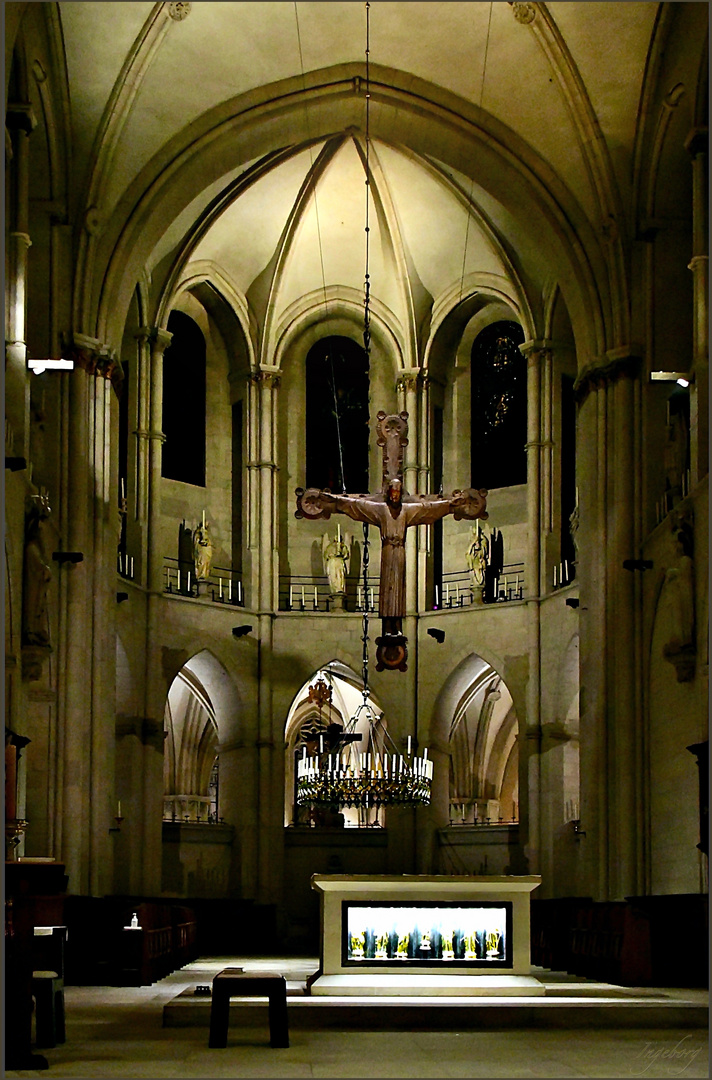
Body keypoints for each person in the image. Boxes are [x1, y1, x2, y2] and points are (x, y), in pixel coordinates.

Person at [22, 496, 52, 648]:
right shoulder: (32, 549)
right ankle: (31, 630)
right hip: (34, 589)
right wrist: (44, 570)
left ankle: (34, 629)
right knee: (34, 601)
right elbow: (36, 570)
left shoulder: (37, 550)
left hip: (39, 589)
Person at [321, 528, 350, 595]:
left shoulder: (343, 546)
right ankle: (334, 589)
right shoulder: (330, 546)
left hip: (339, 561)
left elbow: (346, 555)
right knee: (333, 576)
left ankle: (340, 588)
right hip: (332, 561)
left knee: (340, 575)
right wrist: (332, 554)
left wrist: (341, 552)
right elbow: (326, 555)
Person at [466, 524, 489, 588]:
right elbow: (468, 554)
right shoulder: (471, 551)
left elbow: (485, 546)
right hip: (475, 568)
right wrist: (474, 541)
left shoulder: (481, 550)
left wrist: (479, 535)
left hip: (480, 568)